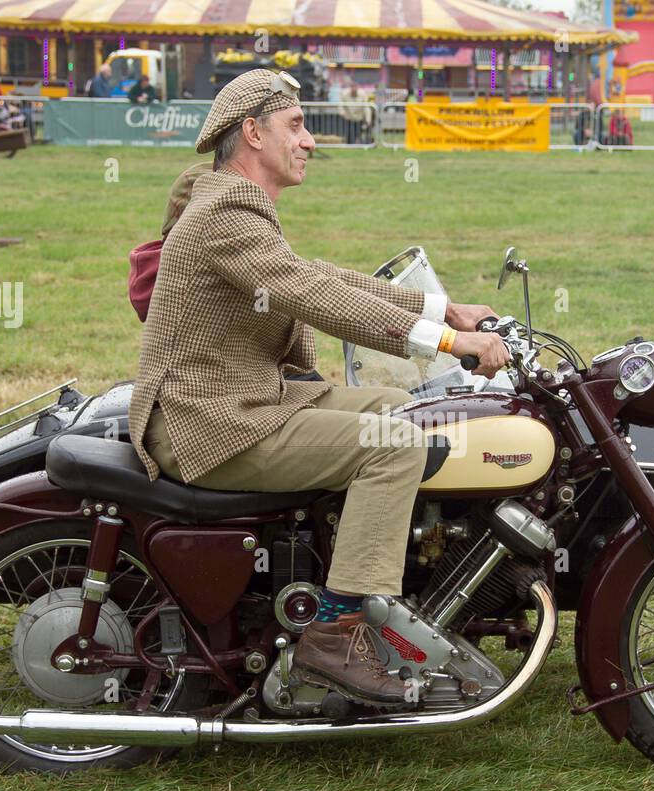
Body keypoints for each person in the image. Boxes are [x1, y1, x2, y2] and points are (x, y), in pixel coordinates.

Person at [128, 70, 509, 706]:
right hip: (210, 422)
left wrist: (442, 307)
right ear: (253, 133)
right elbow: (314, 295)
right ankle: (334, 633)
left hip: (253, 397)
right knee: (392, 444)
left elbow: (317, 275)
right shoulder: (224, 212)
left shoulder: (236, 203)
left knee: (408, 411)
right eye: (296, 126)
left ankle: (379, 585)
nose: (310, 140)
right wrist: (447, 342)